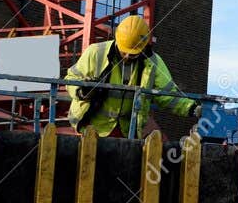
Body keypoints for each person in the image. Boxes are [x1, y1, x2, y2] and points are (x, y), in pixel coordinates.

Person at [65, 15, 200, 139]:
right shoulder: (96, 52)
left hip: (127, 130)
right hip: (91, 125)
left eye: (133, 53)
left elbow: (168, 95)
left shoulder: (153, 63)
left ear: (144, 47)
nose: (128, 56)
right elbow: (72, 78)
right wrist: (81, 91)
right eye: (124, 51)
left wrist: (192, 108)